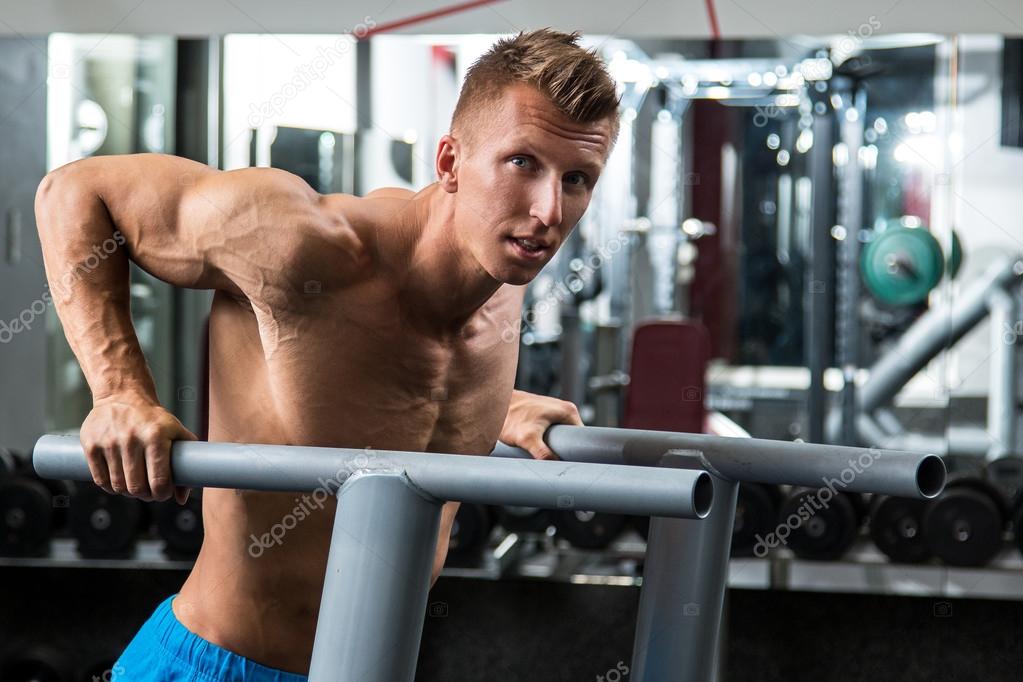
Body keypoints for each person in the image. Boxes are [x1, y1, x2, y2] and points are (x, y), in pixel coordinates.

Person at [35, 28, 620, 681]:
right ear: (450, 161)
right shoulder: (304, 245)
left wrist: (497, 407)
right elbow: (74, 193)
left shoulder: (502, 279)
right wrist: (120, 392)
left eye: (576, 179)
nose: (548, 209)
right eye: (522, 164)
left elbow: (388, 382)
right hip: (221, 667)